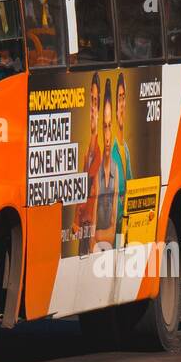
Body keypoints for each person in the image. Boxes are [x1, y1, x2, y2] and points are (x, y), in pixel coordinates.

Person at [75, 72, 102, 257]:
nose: (93, 108)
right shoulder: (86, 154)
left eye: (95, 101)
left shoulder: (100, 157)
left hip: (92, 239)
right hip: (82, 236)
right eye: (90, 101)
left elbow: (98, 199)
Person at [95, 79, 119, 249]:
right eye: (105, 127)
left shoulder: (116, 171)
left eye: (110, 126)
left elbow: (111, 233)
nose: (108, 135)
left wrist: (97, 235)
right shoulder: (95, 169)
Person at [113, 71, 134, 235]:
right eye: (118, 99)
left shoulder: (125, 149)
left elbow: (131, 190)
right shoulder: (110, 151)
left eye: (123, 98)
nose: (121, 104)